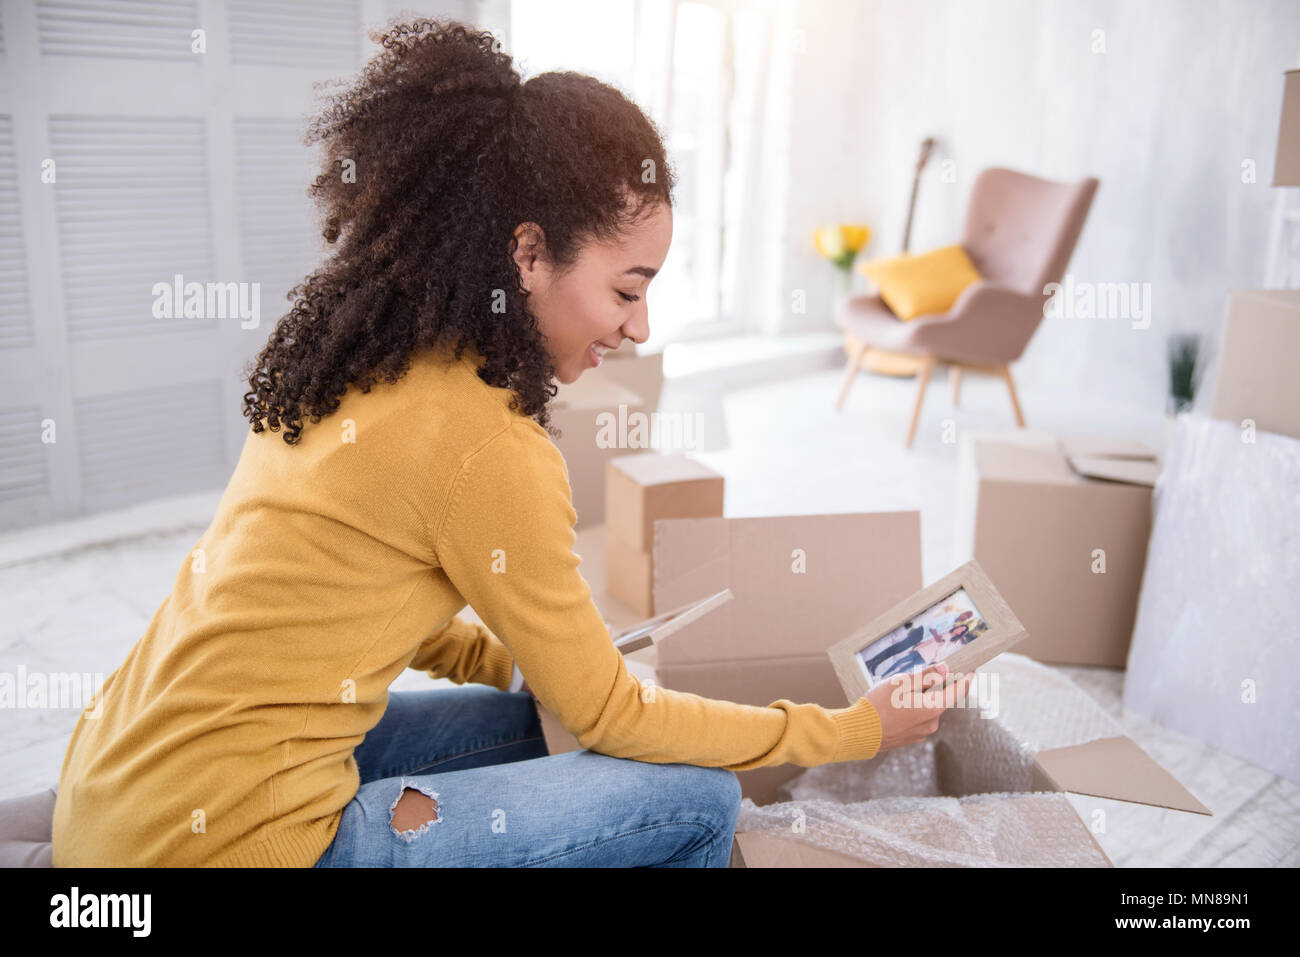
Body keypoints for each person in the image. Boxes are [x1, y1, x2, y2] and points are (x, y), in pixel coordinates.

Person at [50, 19, 972, 869]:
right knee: (695, 795)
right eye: (626, 289)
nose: (642, 326)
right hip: (215, 845)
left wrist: (514, 659)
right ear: (528, 253)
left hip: (125, 786)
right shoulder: (490, 449)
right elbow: (615, 715)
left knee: (533, 719)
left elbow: (356, 598)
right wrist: (854, 728)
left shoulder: (359, 358)